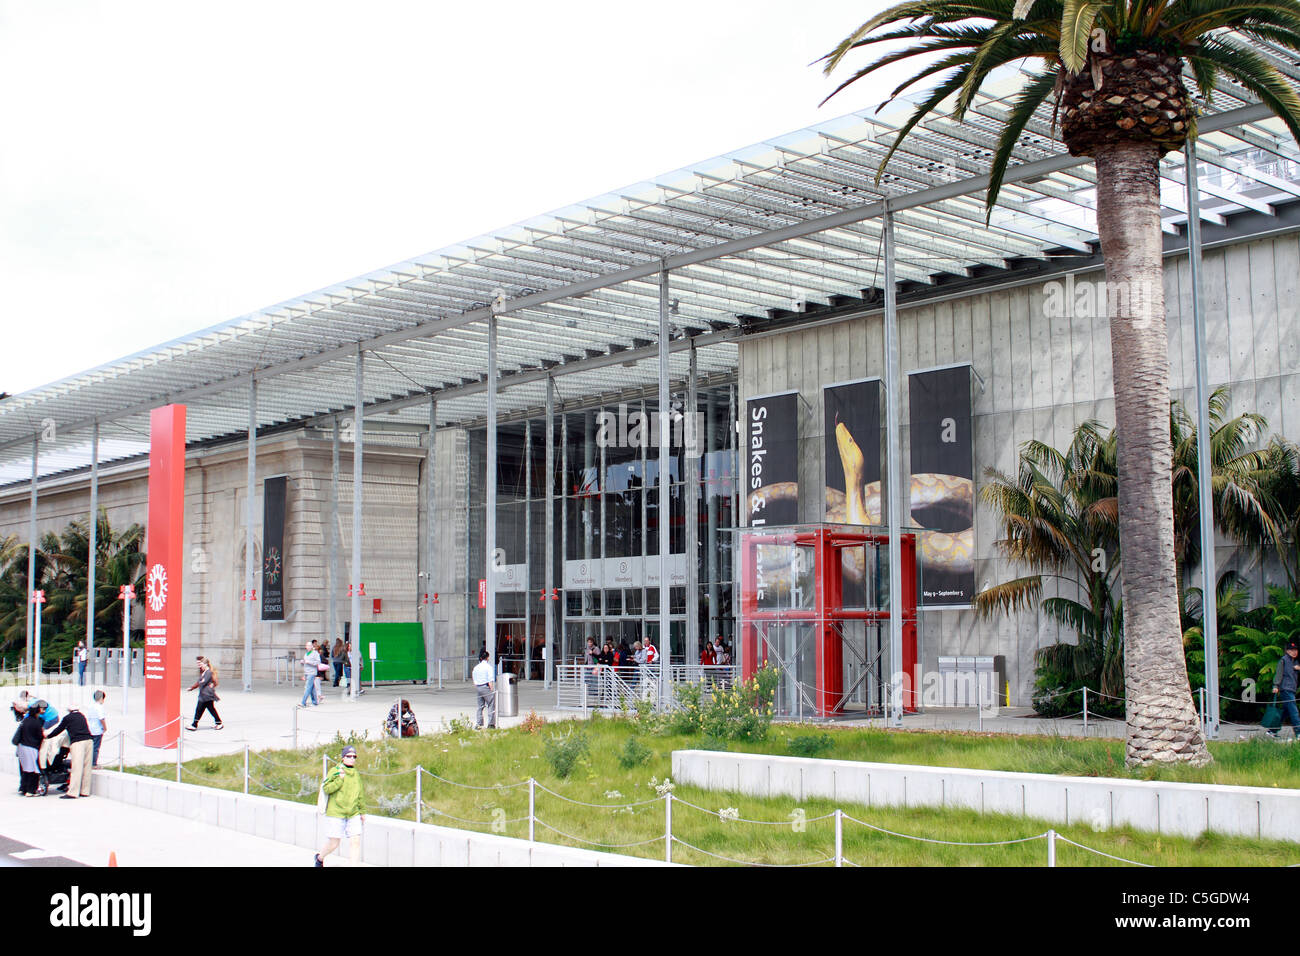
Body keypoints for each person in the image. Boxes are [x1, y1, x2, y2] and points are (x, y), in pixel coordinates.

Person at [314, 745, 365, 866]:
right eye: (349, 756)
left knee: (355, 842)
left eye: (354, 757)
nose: (352, 759)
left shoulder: (356, 774)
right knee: (334, 843)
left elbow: (360, 794)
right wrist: (339, 780)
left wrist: (362, 811)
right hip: (336, 813)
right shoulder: (336, 771)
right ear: (343, 758)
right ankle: (320, 858)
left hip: (353, 813)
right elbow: (326, 788)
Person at [44, 707, 94, 799]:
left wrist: (48, 736)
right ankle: (85, 791)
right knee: (86, 767)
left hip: (78, 742)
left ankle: (73, 793)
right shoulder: (82, 716)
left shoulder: (68, 718)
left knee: (77, 767)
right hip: (89, 741)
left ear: (69, 710)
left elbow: (59, 730)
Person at [12, 702, 43, 796]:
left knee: (24, 769)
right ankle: (31, 790)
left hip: (21, 747)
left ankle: (23, 788)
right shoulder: (37, 722)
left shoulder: (25, 720)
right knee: (33, 770)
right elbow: (39, 736)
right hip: (31, 748)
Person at [1271, 640, 1300, 739]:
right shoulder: (1283, 660)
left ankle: (1272, 730)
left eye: (1295, 650)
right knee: (1294, 711)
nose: (1294, 652)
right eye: (1291, 650)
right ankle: (1298, 732)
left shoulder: (1295, 662)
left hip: (1291, 689)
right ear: (1287, 651)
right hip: (1285, 689)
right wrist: (1275, 686)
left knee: (1285, 711)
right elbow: (1278, 673)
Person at [186, 657, 223, 730]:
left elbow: (204, 682)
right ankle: (219, 723)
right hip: (205, 694)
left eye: (201, 664)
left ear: (205, 664)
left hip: (206, 695)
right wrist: (193, 687)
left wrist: (201, 682)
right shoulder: (204, 672)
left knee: (199, 709)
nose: (200, 665)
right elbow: (201, 681)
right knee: (210, 709)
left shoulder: (208, 672)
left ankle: (194, 725)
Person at [472, 650, 496, 730]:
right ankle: (491, 724)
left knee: (480, 706)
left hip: (478, 687)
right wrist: (491, 689)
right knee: (491, 704)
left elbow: (474, 679)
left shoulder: (476, 667)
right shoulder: (488, 667)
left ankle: (479, 724)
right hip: (486, 687)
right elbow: (490, 680)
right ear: (487, 658)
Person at [86, 690, 108, 767]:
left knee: (90, 747)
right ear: (101, 698)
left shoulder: (91, 706)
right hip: (97, 730)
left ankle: (88, 762)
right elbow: (101, 719)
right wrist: (105, 728)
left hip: (90, 729)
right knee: (96, 748)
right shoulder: (99, 707)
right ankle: (93, 764)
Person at [300, 641, 320, 707]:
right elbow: (305, 664)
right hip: (307, 672)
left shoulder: (315, 653)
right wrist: (302, 662)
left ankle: (303, 702)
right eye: (307, 646)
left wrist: (309, 662)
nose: (308, 647)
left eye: (309, 645)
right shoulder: (306, 654)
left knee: (308, 687)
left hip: (312, 672)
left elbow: (318, 662)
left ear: (312, 646)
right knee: (312, 687)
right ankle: (315, 702)